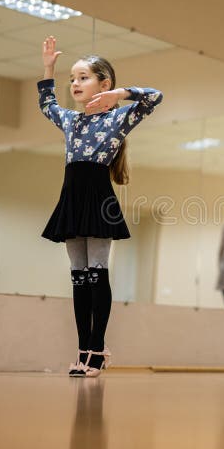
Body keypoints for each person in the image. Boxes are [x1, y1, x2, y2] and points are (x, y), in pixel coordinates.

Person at [39, 36, 163, 377]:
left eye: (83, 77)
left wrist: (120, 94)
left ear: (103, 83)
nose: (75, 84)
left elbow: (155, 97)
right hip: (72, 199)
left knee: (97, 273)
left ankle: (97, 351)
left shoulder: (118, 118)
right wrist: (49, 67)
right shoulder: (70, 120)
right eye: (73, 79)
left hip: (98, 198)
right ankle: (81, 353)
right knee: (78, 277)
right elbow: (46, 103)